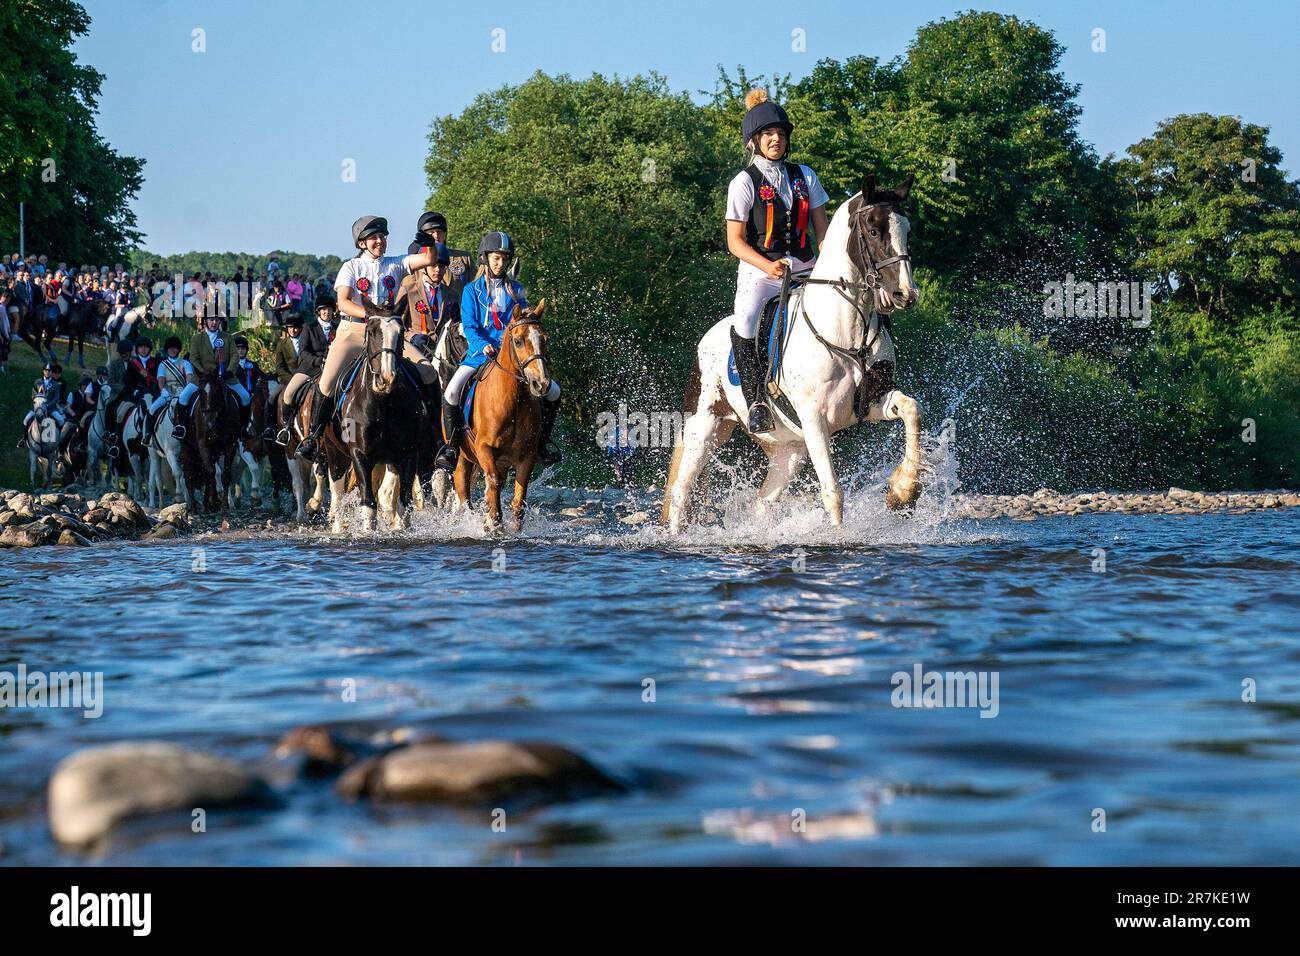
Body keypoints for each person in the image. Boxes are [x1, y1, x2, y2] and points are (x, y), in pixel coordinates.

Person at [724, 88, 830, 433]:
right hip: (761, 271)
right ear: (754, 140)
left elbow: (821, 231)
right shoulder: (744, 182)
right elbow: (734, 242)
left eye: (780, 134)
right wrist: (767, 265)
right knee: (746, 321)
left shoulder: (805, 176)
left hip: (805, 267)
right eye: (768, 134)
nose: (776, 139)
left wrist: (831, 266)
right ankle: (756, 400)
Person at [296, 216, 443, 461]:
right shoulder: (351, 267)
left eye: (383, 236)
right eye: (374, 237)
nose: (380, 241)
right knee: (327, 382)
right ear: (361, 243)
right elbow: (342, 302)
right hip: (354, 331)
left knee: (428, 372)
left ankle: (438, 437)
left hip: (389, 335)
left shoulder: (396, 264)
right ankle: (313, 436)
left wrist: (429, 243)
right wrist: (372, 315)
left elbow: (429, 259)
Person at [435, 231, 562, 472]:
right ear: (485, 258)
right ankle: (451, 448)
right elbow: (470, 325)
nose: (500, 263)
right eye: (496, 258)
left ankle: (542, 443)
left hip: (513, 357)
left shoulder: (517, 289)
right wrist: (482, 344)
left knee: (553, 391)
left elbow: (523, 325)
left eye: (504, 259)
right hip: (479, 354)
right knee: (451, 392)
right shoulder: (472, 291)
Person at [174, 308, 254, 439]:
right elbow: (193, 358)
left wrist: (229, 371)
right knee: (183, 397)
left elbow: (235, 356)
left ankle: (243, 429)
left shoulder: (227, 337)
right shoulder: (197, 338)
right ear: (206, 321)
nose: (214, 323)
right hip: (201, 378)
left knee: (245, 396)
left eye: (217, 320)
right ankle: (182, 427)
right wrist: (201, 372)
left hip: (225, 378)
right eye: (211, 320)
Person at [407, 211, 475, 305]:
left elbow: (476, 288)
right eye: (431, 232)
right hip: (425, 315)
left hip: (458, 315)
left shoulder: (463, 258)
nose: (436, 236)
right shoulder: (415, 261)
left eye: (439, 232)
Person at [17, 363, 68, 448]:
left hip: (50, 408)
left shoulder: (55, 384)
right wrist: (39, 404)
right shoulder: (37, 382)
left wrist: (47, 406)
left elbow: (56, 398)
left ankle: (60, 443)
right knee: (26, 420)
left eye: (49, 370)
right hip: (38, 408)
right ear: (43, 371)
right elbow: (33, 395)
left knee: (61, 420)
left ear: (52, 372)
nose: (48, 372)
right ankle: (23, 438)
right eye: (46, 370)